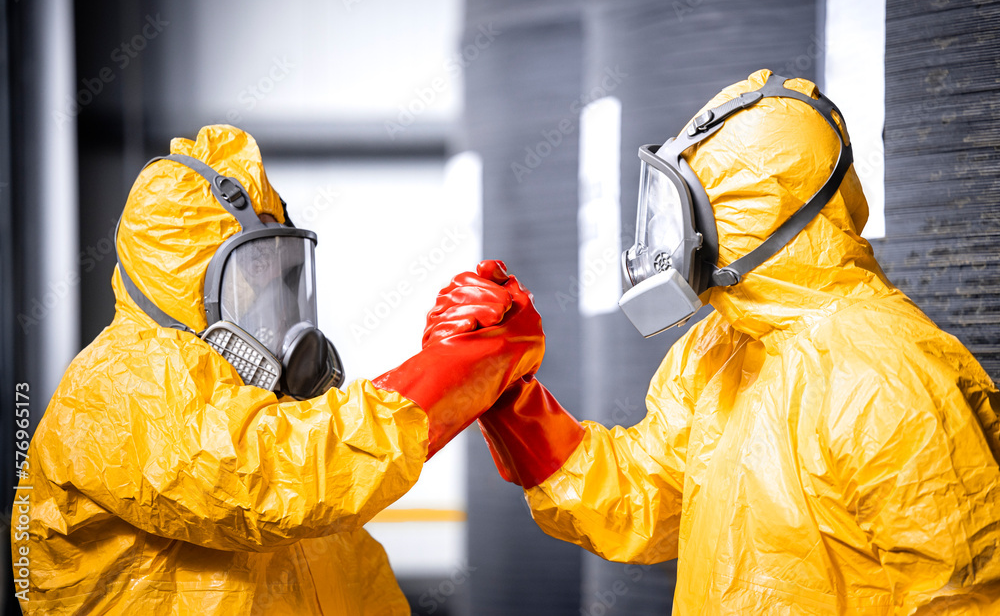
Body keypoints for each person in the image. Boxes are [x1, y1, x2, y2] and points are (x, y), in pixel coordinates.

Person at [428, 70, 1000, 614]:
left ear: (753, 214)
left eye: (684, 210)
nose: (663, 239)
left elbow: (965, 597)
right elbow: (637, 501)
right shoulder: (719, 348)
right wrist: (503, 391)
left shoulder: (887, 376)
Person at [12, 124, 541, 615]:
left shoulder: (264, 405)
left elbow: (355, 581)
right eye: (253, 273)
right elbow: (270, 480)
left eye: (287, 276)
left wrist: (460, 370)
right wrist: (452, 368)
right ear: (184, 279)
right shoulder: (118, 383)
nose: (279, 307)